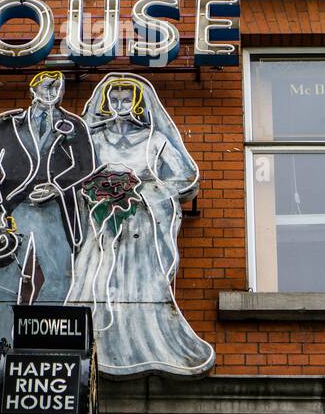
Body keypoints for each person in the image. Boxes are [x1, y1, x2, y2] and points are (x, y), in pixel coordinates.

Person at [65, 73, 215, 377]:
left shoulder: (154, 140)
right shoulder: (92, 139)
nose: (120, 105)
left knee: (141, 282)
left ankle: (145, 344)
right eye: (114, 99)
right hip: (101, 226)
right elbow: (70, 176)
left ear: (137, 103)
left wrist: (142, 189)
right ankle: (89, 342)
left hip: (141, 226)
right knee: (93, 277)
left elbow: (185, 179)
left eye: (126, 99)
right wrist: (97, 190)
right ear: (105, 102)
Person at [0, 70, 96, 346]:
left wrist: (57, 186)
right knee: (4, 276)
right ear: (33, 89)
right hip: (13, 209)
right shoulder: (6, 123)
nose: (51, 93)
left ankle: (42, 341)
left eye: (56, 88)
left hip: (56, 210)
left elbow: (86, 166)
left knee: (60, 274)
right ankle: (2, 344)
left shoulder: (73, 125)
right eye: (46, 87)